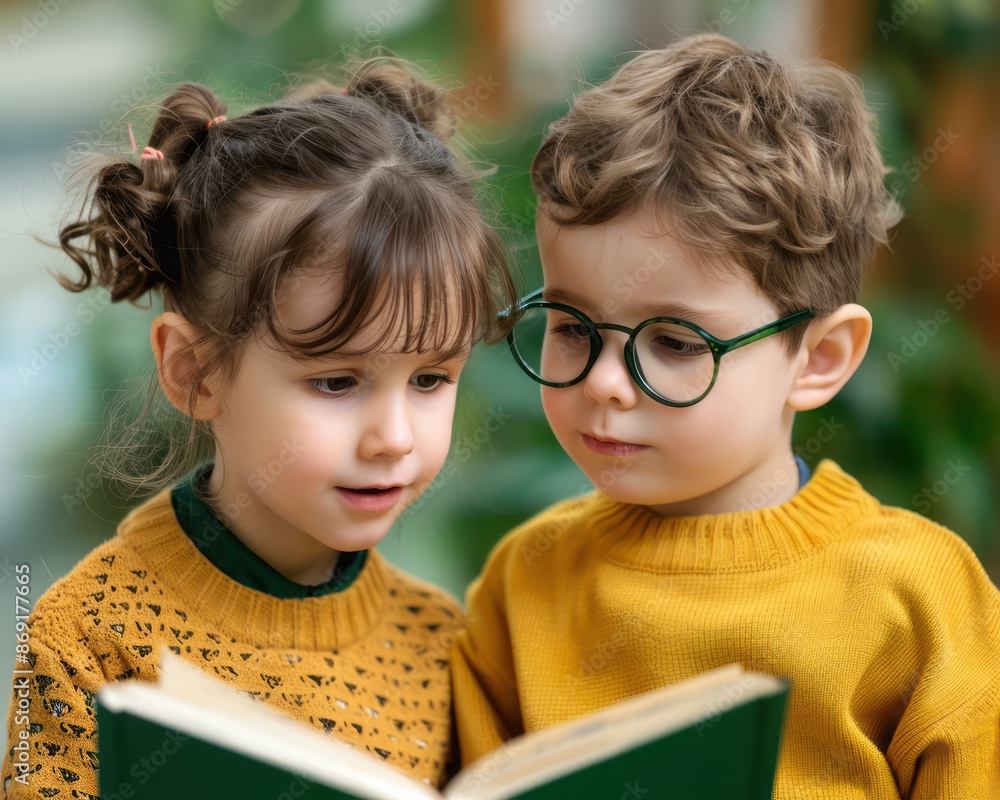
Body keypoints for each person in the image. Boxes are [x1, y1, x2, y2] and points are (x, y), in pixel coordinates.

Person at [451, 33, 1000, 798]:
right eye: (573, 328)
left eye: (676, 342)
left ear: (819, 358)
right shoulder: (523, 582)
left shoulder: (920, 597)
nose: (605, 382)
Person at [2, 58, 517, 798]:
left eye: (431, 379)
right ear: (194, 372)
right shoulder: (88, 639)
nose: (395, 438)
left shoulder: (440, 638)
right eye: (336, 381)